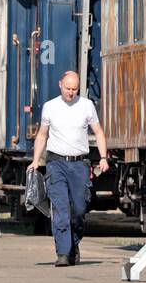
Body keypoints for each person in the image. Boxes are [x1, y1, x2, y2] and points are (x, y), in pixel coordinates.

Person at [31, 71, 108, 266]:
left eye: (75, 89)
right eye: (68, 88)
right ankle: (63, 253)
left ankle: (74, 243)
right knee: (61, 208)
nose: (71, 93)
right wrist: (35, 160)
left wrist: (103, 157)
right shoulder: (50, 107)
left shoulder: (87, 106)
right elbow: (42, 135)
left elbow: (98, 132)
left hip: (79, 164)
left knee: (80, 209)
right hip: (56, 163)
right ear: (60, 85)